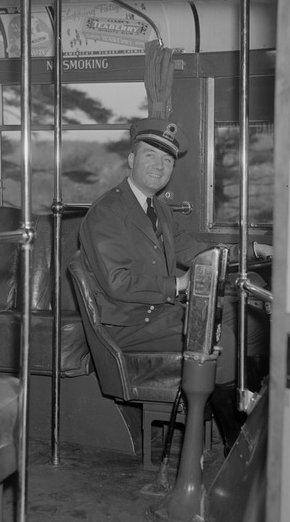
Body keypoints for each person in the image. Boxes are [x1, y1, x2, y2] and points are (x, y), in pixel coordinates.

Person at [78, 117, 271, 453]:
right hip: (129, 322)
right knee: (220, 338)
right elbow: (117, 283)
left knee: (249, 319)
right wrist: (180, 284)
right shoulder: (106, 213)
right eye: (151, 156)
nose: (160, 166)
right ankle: (237, 447)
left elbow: (197, 251)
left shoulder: (158, 209)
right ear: (131, 160)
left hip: (159, 312)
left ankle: (251, 417)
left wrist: (253, 250)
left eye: (167, 160)